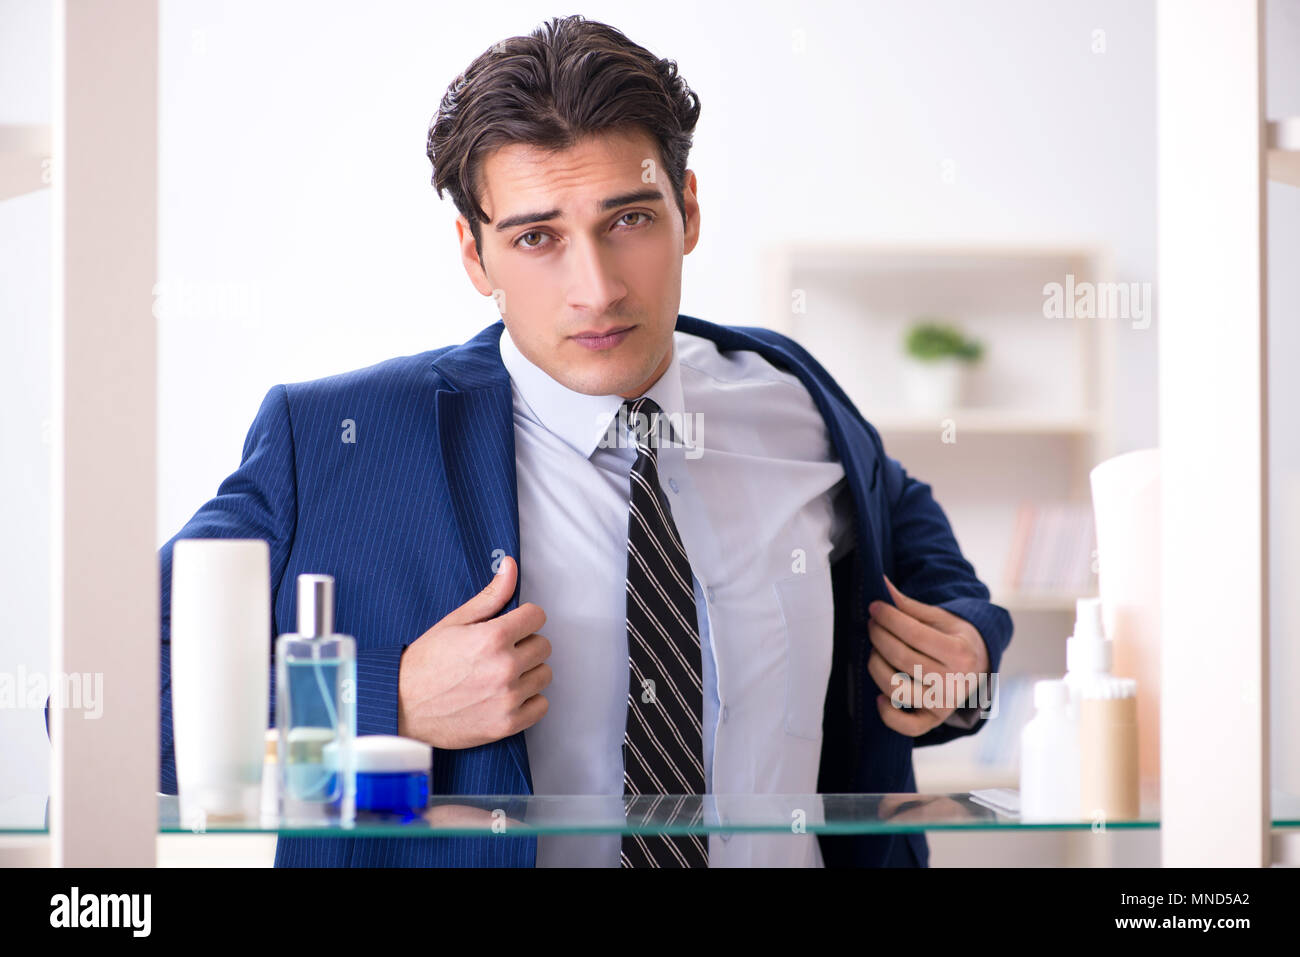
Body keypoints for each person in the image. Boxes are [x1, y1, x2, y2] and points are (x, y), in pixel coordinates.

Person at [155, 14, 1013, 867]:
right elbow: (118, 699)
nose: (595, 288)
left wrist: (967, 655)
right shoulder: (335, 444)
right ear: (474, 255)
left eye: (630, 220)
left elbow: (910, 533)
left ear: (689, 211)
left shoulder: (789, 395)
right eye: (537, 237)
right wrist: (385, 702)